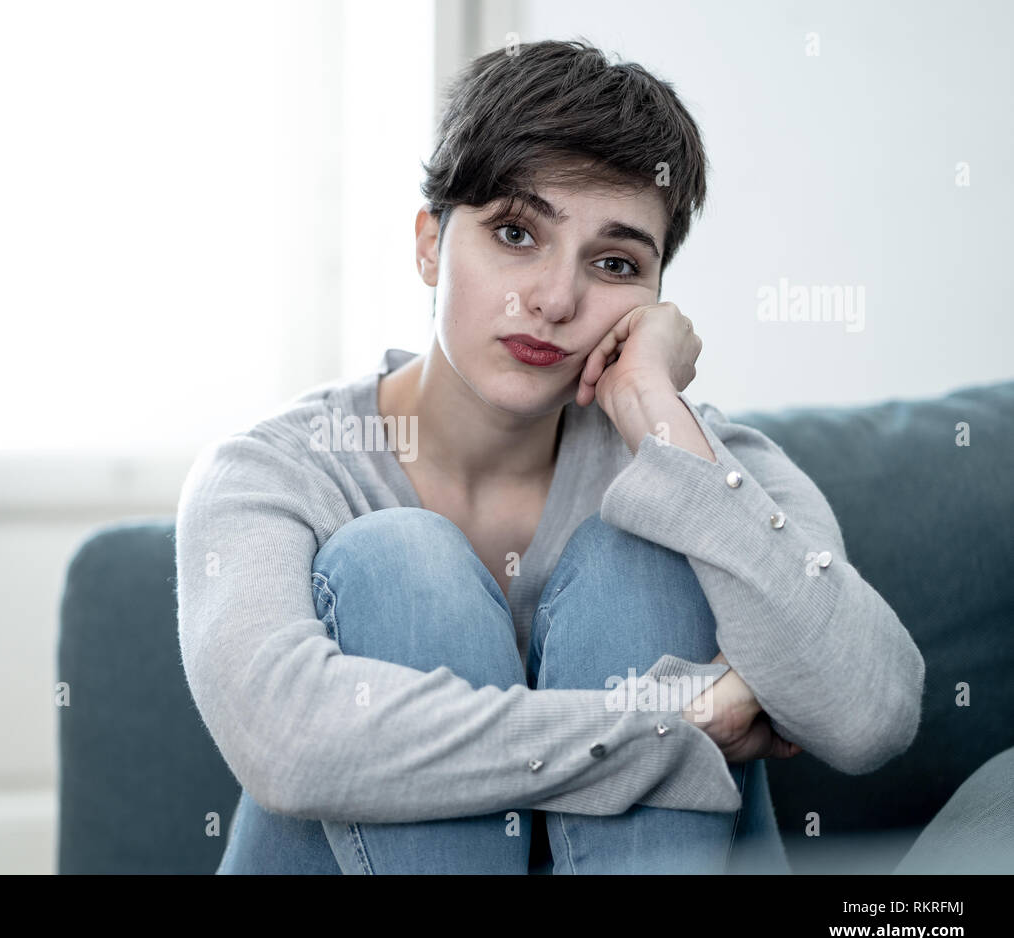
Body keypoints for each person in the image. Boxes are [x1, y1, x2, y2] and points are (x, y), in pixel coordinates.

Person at [173, 37, 929, 874]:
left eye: (613, 262)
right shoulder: (272, 472)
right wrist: (676, 720)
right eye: (515, 232)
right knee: (399, 560)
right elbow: (289, 742)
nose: (556, 299)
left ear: (653, 299)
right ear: (430, 244)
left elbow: (871, 715)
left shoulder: (699, 457)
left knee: (643, 555)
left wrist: (654, 409)